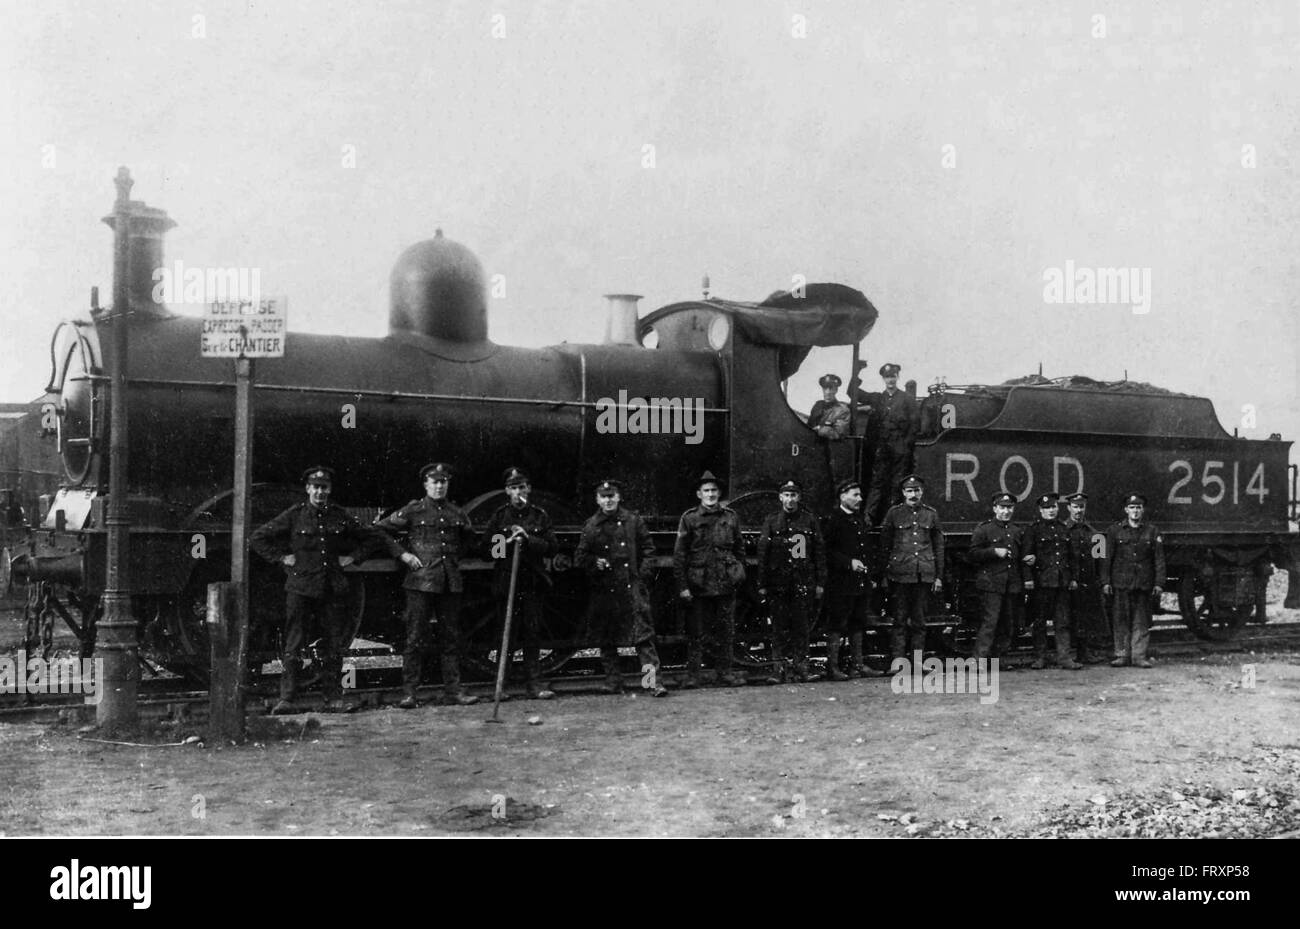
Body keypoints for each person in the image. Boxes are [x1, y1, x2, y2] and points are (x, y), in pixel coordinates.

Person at [250, 466, 399, 714]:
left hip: (331, 587)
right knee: (294, 642)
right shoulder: (294, 515)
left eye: (324, 487)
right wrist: (281, 558)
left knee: (334, 643)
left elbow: (372, 537)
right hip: (300, 586)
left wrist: (352, 558)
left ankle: (333, 697)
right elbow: (258, 537)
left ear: (329, 490)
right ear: (308, 489)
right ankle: (287, 698)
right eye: (315, 487)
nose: (320, 492)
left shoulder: (339, 515)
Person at [376, 462, 480, 707]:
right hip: (420, 582)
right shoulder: (414, 510)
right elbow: (379, 530)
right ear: (426, 485)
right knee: (414, 638)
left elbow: (469, 540)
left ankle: (453, 691)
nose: (439, 486)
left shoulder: (457, 513)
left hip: (450, 583)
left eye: (443, 482)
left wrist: (456, 559)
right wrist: (403, 555)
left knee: (451, 638)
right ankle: (409, 693)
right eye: (434, 482)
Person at [573, 479, 669, 697]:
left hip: (631, 586)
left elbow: (648, 550)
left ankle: (652, 683)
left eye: (612, 496)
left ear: (619, 497)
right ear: (597, 500)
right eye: (604, 496)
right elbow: (580, 557)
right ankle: (613, 682)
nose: (608, 500)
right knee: (607, 639)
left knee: (643, 638)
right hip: (606, 589)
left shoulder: (633, 521)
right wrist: (594, 563)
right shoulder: (591, 525)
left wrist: (641, 577)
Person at [482, 467, 559, 700]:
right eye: (514, 488)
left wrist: (529, 539)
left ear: (529, 489)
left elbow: (552, 547)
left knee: (532, 634)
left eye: (522, 488)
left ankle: (534, 685)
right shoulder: (499, 516)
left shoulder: (540, 516)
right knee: (506, 634)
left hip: (532, 583)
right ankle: (501, 686)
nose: (518, 493)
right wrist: (506, 542)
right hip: (507, 583)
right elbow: (488, 551)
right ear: (507, 491)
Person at [673, 470, 748, 687]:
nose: (710, 494)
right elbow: (680, 555)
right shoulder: (689, 519)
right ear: (699, 494)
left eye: (714, 490)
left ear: (719, 493)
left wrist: (738, 572)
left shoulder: (730, 517)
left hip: (725, 582)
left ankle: (724, 673)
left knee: (726, 631)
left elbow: (739, 548)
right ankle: (694, 675)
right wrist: (683, 587)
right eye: (706, 490)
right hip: (699, 584)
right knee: (696, 632)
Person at [756, 479, 826, 683]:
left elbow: (819, 553)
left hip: (802, 581)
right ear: (780, 498)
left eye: (794, 495)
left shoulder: (809, 520)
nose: (790, 499)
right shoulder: (771, 521)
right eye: (786, 495)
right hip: (778, 583)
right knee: (778, 627)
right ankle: (778, 670)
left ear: (799, 497)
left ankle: (802, 668)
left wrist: (820, 582)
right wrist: (762, 584)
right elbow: (763, 554)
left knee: (801, 627)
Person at [880, 475, 944, 661]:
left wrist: (938, 576)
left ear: (922, 492)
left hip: (923, 574)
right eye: (909, 491)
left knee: (919, 621)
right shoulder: (894, 513)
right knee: (899, 619)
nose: (913, 494)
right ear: (903, 493)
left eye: (916, 490)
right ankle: (898, 661)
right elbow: (885, 545)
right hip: (899, 574)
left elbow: (938, 546)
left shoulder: (931, 514)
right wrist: (884, 574)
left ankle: (917, 661)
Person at [1101, 493, 1166, 668]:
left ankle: (1138, 656)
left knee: (1141, 620)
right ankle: (1122, 655)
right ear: (1126, 510)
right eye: (1132, 508)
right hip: (1121, 582)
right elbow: (1107, 558)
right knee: (1120, 619)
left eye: (1138, 508)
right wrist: (1105, 581)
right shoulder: (1115, 531)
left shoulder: (1152, 531)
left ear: (1142, 510)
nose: (1135, 511)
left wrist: (1159, 583)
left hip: (1143, 583)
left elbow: (1159, 559)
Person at [821, 479, 875, 679]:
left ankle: (857, 665)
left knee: (858, 621)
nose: (859, 499)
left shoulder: (858, 519)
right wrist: (848, 562)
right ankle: (833, 668)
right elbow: (826, 550)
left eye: (860, 495)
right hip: (840, 582)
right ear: (842, 497)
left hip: (859, 581)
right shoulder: (833, 520)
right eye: (855, 495)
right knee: (836, 623)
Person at [1021, 493, 1082, 670]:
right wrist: (1028, 579)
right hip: (1041, 582)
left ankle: (1064, 657)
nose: (1051, 511)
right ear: (1041, 510)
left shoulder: (1064, 529)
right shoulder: (1033, 530)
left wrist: (1074, 578)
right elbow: (1026, 557)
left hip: (1062, 582)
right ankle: (1040, 657)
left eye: (1053, 507)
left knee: (1062, 621)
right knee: (1039, 622)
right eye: (1047, 508)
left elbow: (1072, 557)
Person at [857, 363, 920, 525]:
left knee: (896, 485)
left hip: (900, 448)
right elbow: (853, 393)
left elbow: (915, 424)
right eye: (887, 377)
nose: (890, 380)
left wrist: (906, 446)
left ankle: (890, 519)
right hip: (882, 448)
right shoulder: (878, 398)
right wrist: (857, 371)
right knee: (877, 482)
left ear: (897, 377)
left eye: (893, 376)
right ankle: (869, 517)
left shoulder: (907, 399)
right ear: (883, 379)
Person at [968, 492, 1022, 660]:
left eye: (1009, 508)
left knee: (1007, 624)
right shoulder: (984, 529)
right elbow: (973, 554)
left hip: (1010, 583)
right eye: (1002, 508)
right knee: (990, 623)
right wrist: (993, 552)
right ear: (995, 508)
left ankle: (998, 659)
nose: (1006, 511)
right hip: (991, 583)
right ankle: (980, 659)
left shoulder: (1016, 530)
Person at [1061, 492, 1109, 663]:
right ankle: (1068, 654)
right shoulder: (1062, 531)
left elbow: (1101, 560)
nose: (1078, 510)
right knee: (1068, 619)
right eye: (1075, 507)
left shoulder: (1095, 533)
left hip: (1088, 582)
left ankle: (1084, 653)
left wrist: (1102, 581)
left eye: (1081, 507)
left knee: (1086, 618)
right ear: (1068, 508)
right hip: (1070, 583)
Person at [808, 374, 851, 440]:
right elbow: (808, 426)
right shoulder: (817, 405)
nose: (827, 392)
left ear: (836, 390)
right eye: (825, 388)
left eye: (831, 388)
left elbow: (837, 434)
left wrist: (819, 429)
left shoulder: (843, 410)